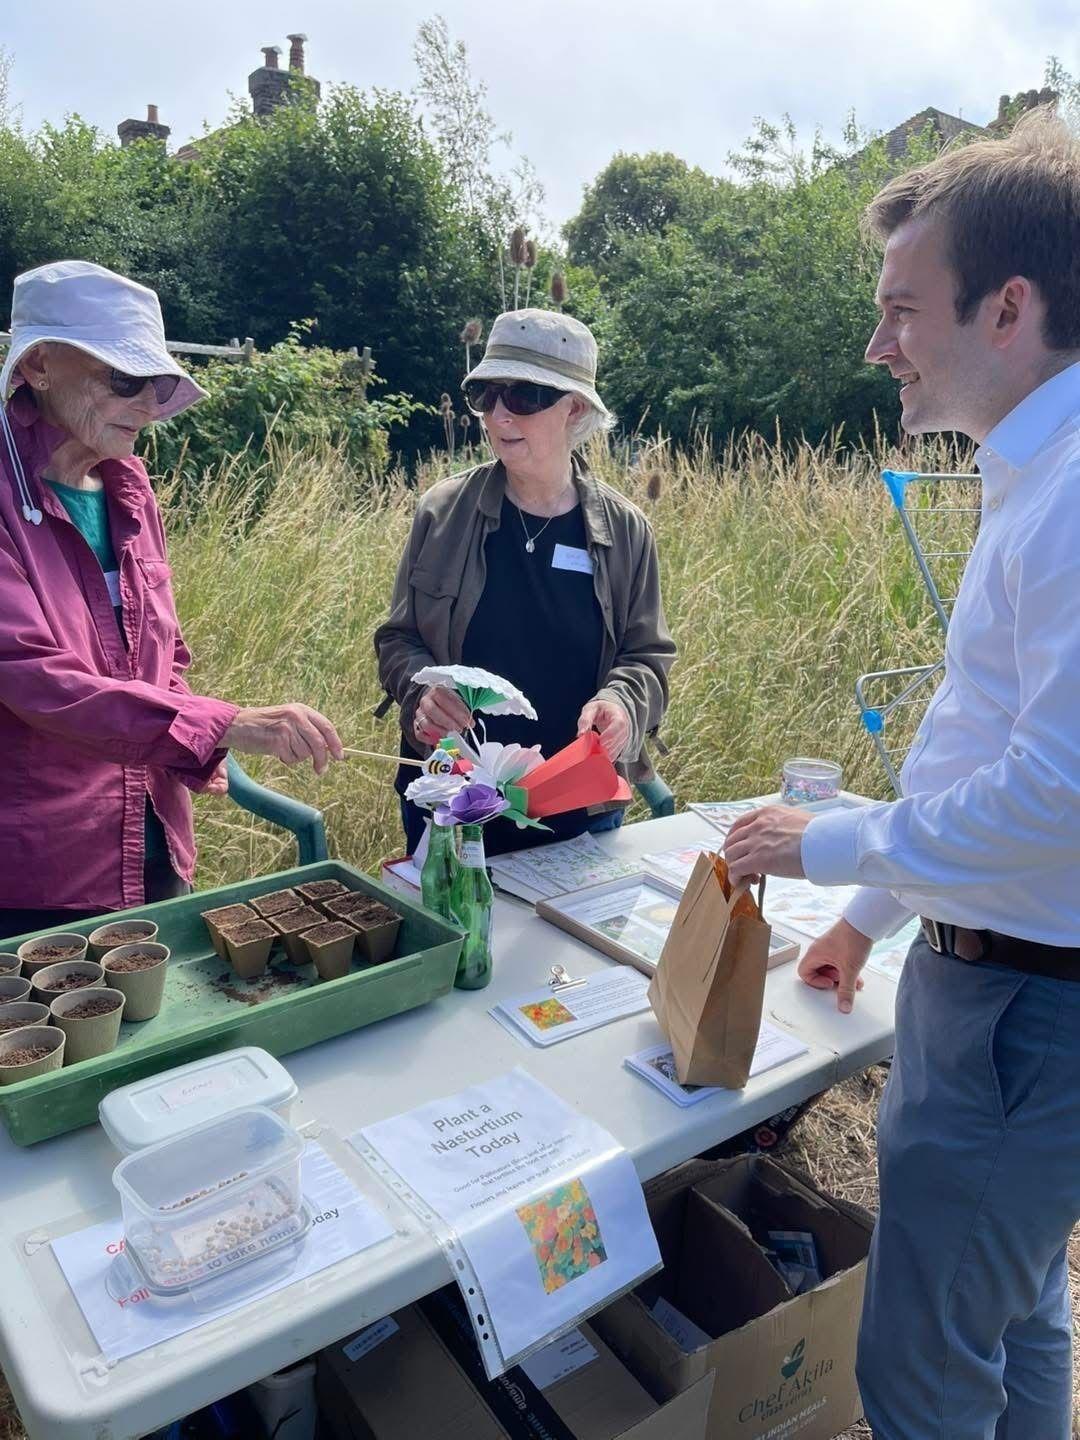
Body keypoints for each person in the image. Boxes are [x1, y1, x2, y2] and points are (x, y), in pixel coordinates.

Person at [724, 111, 1080, 1440]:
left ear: (1008, 307)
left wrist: (824, 847)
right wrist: (868, 917)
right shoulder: (1026, 475)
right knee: (1020, 1306)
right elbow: (976, 730)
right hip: (996, 985)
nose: (877, 346)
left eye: (900, 310)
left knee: (925, 1371)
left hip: (1025, 1019)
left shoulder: (1074, 493)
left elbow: (1061, 794)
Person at [0, 260, 343, 935]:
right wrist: (225, 725)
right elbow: (39, 681)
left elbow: (164, 657)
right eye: (126, 381)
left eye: (159, 385)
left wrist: (198, 719)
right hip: (41, 874)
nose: (151, 408)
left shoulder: (130, 489)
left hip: (153, 842)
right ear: (39, 367)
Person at [375, 308, 675, 856]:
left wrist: (622, 706)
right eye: (487, 395)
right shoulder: (442, 513)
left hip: (577, 813)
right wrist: (423, 691)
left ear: (575, 410)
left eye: (523, 397)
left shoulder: (626, 531)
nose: (498, 416)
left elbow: (647, 658)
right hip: (450, 801)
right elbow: (397, 640)